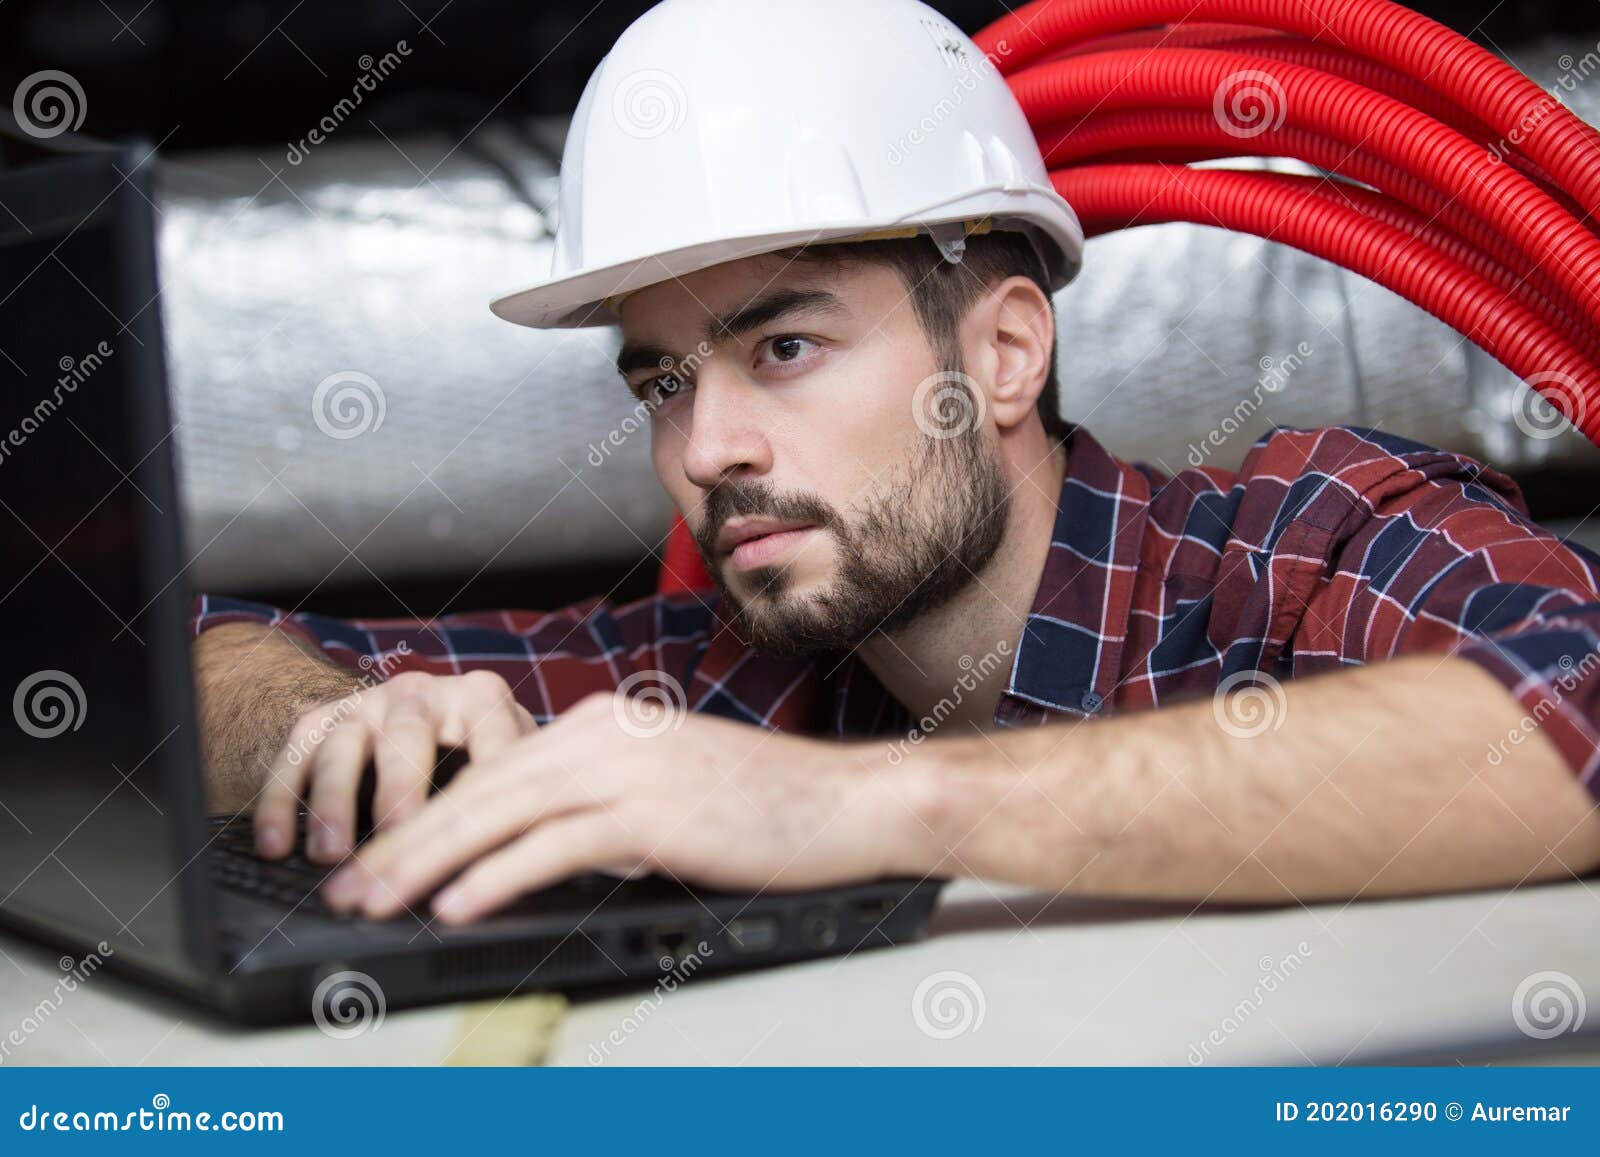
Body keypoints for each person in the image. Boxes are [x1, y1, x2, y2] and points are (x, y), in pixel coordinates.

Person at [192, 0, 1600, 925]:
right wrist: (330, 721)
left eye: (785, 347)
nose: (708, 450)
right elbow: (168, 661)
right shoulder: (721, 679)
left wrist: (850, 809)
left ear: (1005, 355)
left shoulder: (1301, 550)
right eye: (665, 382)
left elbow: (1571, 714)